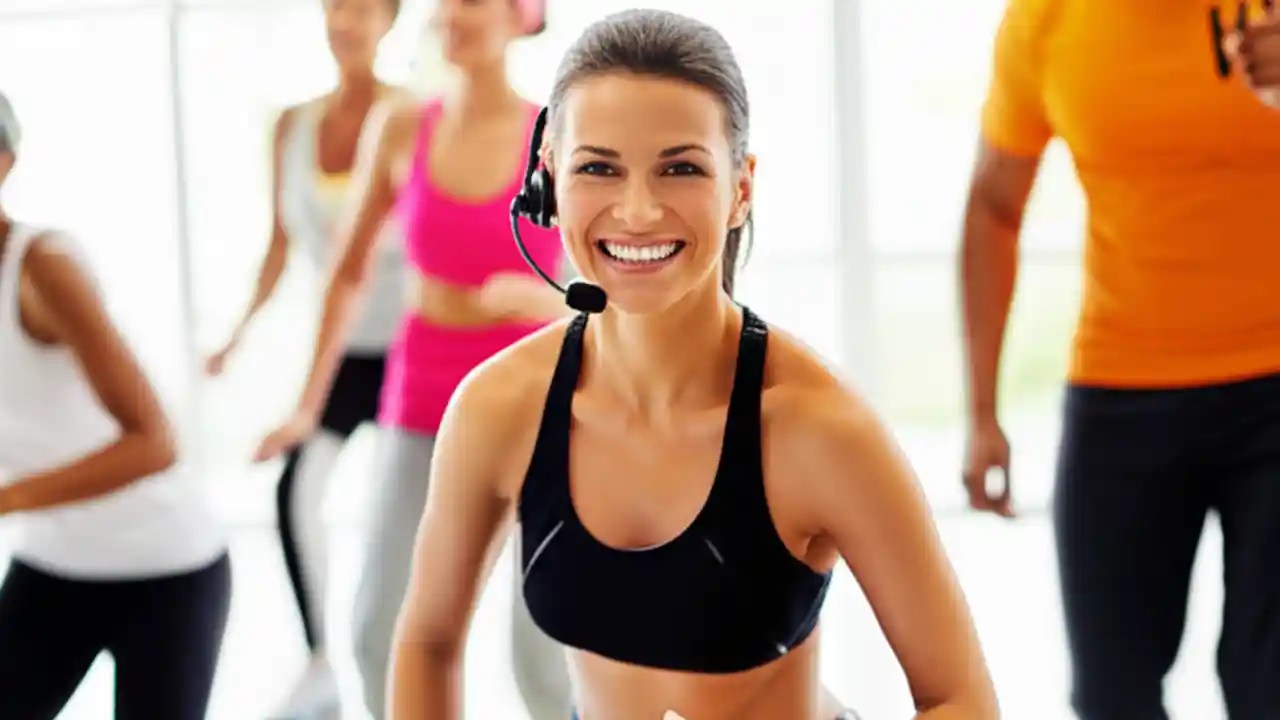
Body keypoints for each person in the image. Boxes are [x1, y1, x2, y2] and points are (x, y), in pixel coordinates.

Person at [388, 9, 999, 720]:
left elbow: (961, 698)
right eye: (598, 168)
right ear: (549, 179)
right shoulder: (500, 409)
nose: (638, 211)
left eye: (679, 168)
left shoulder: (818, 428)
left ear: (740, 187)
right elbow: (428, 642)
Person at [251, 1, 573, 717]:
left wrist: (549, 300)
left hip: (537, 405)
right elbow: (345, 274)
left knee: (544, 660)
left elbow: (615, 277)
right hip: (424, 396)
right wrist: (308, 405)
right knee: (376, 633)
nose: (454, 12)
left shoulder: (558, 130)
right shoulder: (403, 125)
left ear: (523, 14)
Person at [960, 1, 1280, 718]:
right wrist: (982, 412)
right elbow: (993, 206)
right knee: (1110, 695)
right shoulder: (1046, 22)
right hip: (1120, 388)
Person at [203, 0, 410, 715]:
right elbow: (280, 247)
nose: (343, 21)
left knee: (404, 513)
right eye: (334, 6)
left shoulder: (414, 117)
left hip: (416, 351)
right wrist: (235, 336)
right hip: (342, 353)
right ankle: (321, 656)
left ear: (390, 20)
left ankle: (405, 656)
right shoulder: (292, 125)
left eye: (360, 9)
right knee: (296, 491)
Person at [0, 92, 231, 720]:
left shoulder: (42, 267)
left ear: (4, 163)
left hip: (165, 571)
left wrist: (7, 499)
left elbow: (154, 442)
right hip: (51, 564)